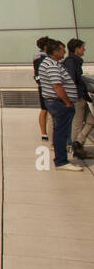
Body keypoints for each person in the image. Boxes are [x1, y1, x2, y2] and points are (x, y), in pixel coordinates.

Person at [38, 38, 83, 171]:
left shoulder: (50, 63)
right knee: (61, 132)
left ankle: (61, 159)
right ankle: (61, 161)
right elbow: (57, 86)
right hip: (59, 103)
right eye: (62, 50)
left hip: (57, 102)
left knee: (60, 131)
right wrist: (68, 102)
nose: (64, 53)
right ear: (55, 52)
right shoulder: (51, 65)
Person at [65, 39, 91, 159]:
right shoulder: (71, 61)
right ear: (76, 49)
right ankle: (75, 148)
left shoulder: (75, 61)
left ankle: (78, 143)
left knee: (91, 120)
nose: (84, 50)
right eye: (82, 47)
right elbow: (71, 80)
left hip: (81, 96)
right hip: (77, 97)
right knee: (78, 123)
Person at [34, 36, 51, 142]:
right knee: (45, 110)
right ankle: (45, 133)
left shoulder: (38, 57)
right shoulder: (42, 58)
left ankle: (44, 133)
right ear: (45, 46)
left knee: (44, 109)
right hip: (46, 86)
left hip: (42, 86)